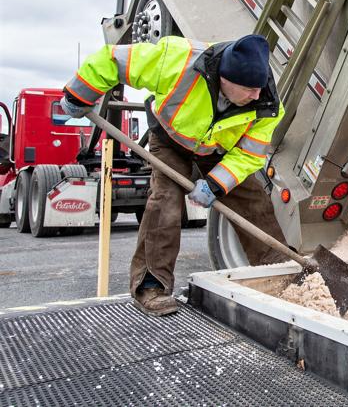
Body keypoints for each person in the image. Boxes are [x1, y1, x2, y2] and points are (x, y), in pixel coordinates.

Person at [61, 34, 289, 316]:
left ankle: (280, 270)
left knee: (253, 200)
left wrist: (216, 184)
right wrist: (80, 93)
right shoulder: (177, 60)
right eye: (247, 89)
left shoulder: (267, 104)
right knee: (166, 201)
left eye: (258, 87)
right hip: (170, 139)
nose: (256, 95)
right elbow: (113, 59)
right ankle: (150, 286)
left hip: (218, 150)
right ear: (224, 79)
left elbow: (249, 155)